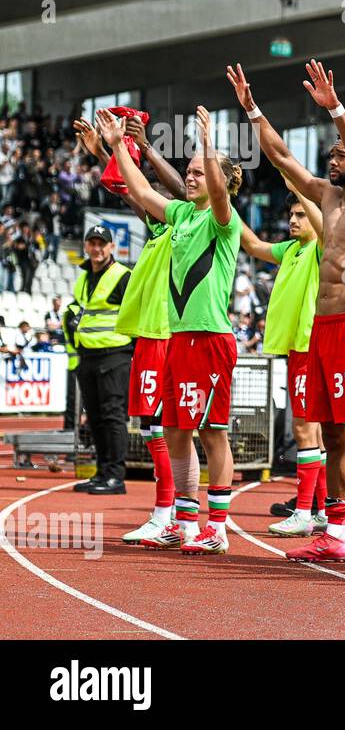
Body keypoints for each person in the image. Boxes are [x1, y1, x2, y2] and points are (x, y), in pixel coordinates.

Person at [227, 61, 345, 569]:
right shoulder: (326, 197)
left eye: (340, 153)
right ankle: (337, 531)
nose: (332, 158)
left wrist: (338, 110)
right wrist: (253, 110)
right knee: (334, 432)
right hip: (321, 329)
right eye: (329, 152)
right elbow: (280, 156)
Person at [104, 105, 243, 556]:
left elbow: (219, 194)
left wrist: (206, 142)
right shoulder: (181, 215)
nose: (191, 177)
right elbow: (142, 191)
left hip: (211, 338)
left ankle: (217, 527)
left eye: (199, 172)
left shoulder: (223, 221)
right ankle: (183, 523)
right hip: (180, 339)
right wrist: (117, 148)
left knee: (212, 432)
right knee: (176, 430)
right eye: (189, 171)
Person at [74, 114, 191, 542]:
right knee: (155, 426)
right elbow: (132, 194)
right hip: (147, 334)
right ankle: (174, 511)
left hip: (164, 333)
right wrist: (106, 151)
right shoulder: (162, 226)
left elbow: (169, 190)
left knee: (164, 427)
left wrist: (137, 148)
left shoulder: (189, 221)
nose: (153, 201)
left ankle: (171, 513)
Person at [239, 191, 327, 538]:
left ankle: (304, 512)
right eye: (290, 214)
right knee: (314, 434)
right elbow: (253, 245)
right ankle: (318, 511)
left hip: (310, 347)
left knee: (305, 431)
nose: (293, 220)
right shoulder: (290, 249)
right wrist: (223, 202)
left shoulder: (322, 246)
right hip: (296, 349)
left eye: (301, 214)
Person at [67, 224, 133, 495]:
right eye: (92, 243)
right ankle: (101, 471)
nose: (96, 248)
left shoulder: (123, 276)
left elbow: (136, 314)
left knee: (112, 416)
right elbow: (78, 309)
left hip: (116, 355)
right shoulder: (83, 277)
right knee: (94, 417)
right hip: (89, 356)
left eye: (101, 244)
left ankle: (116, 477)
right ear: (86, 246)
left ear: (111, 247)